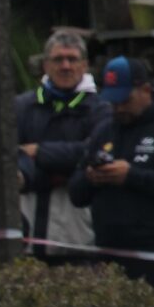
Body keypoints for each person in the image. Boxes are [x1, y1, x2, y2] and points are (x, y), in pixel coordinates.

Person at [66, 57, 154, 302]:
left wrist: (132, 177)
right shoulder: (104, 130)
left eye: (125, 100)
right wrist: (92, 178)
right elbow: (76, 193)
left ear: (146, 90)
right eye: (113, 102)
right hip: (109, 253)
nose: (118, 108)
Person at [15, 29, 109, 261]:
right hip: (26, 233)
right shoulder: (21, 106)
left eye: (72, 59)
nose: (65, 66)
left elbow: (93, 154)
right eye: (58, 59)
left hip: (78, 234)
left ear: (85, 65)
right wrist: (58, 171)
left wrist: (38, 151)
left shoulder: (101, 108)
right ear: (46, 65)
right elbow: (9, 155)